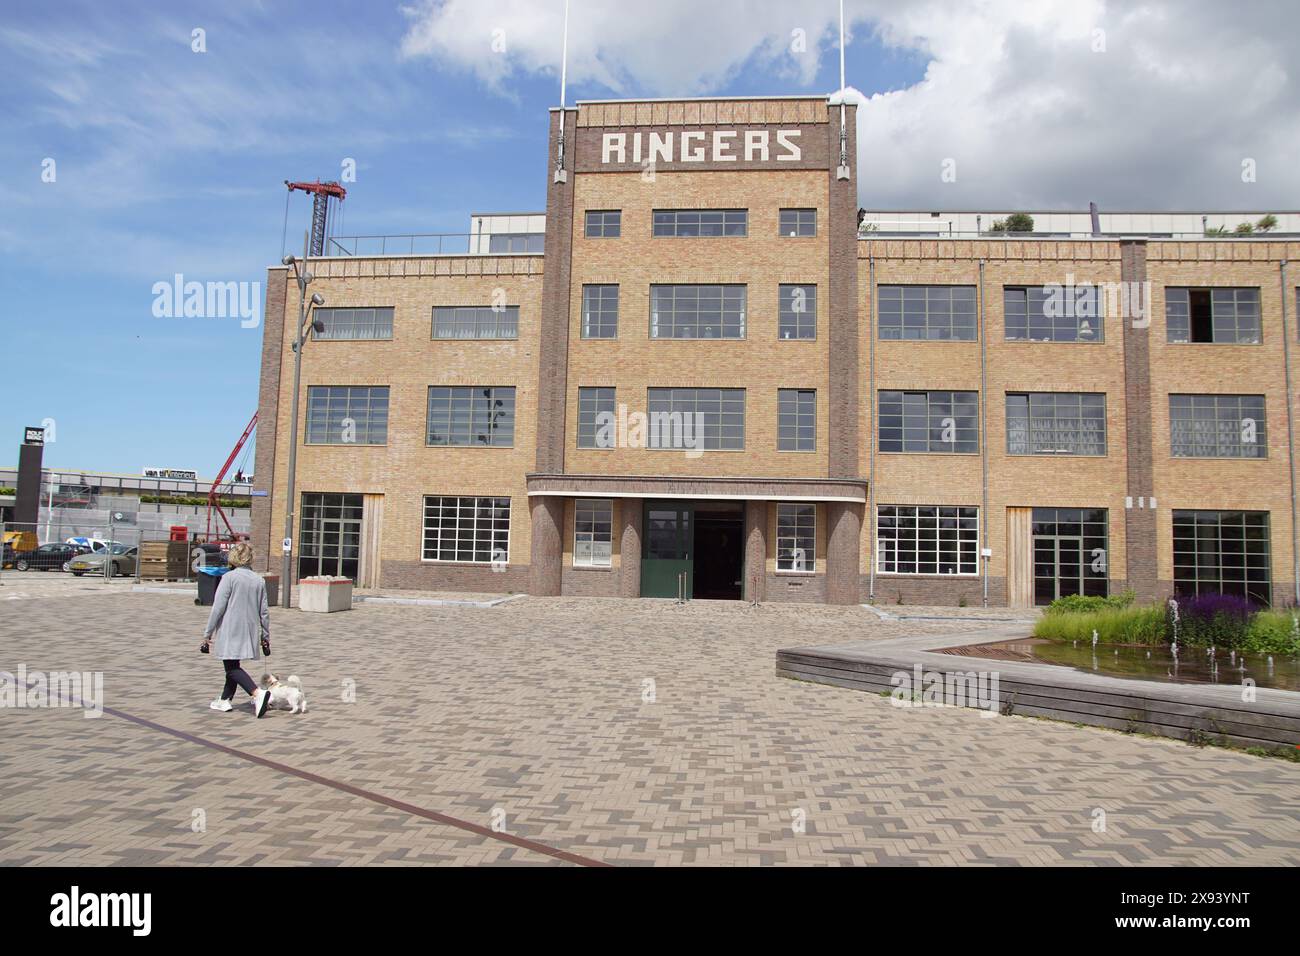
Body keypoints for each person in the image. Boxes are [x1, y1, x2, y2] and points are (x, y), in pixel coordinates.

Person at [201, 541, 272, 717]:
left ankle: (257, 693)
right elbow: (264, 612)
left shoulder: (229, 578)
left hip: (230, 627)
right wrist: (266, 635)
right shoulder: (259, 580)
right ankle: (225, 699)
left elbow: (218, 607)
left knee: (232, 667)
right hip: (249, 628)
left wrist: (207, 633)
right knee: (232, 663)